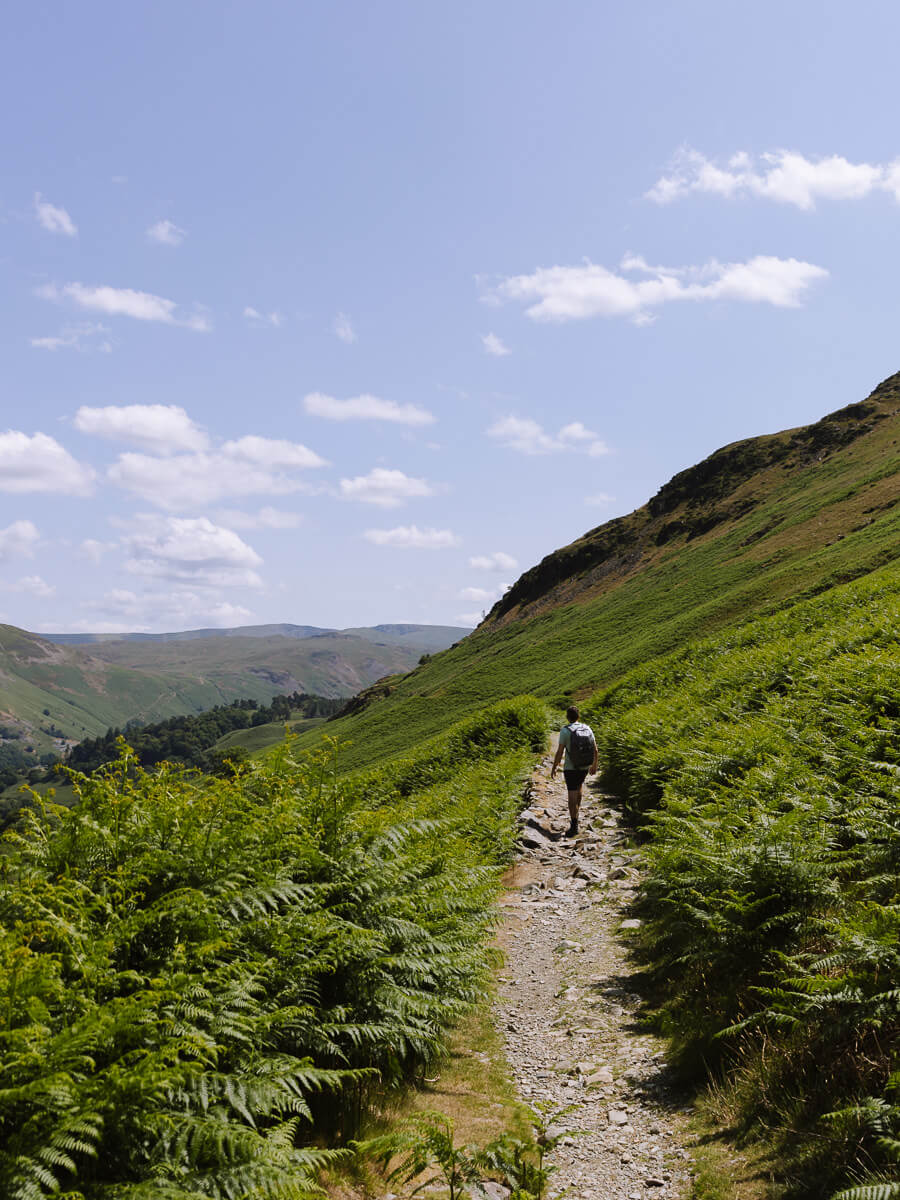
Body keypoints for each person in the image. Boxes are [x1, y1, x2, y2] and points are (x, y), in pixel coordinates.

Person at [550, 705, 598, 837]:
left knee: (571, 794)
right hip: (584, 766)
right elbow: (595, 749)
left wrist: (554, 767)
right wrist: (594, 765)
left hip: (571, 768)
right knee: (579, 787)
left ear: (567, 717)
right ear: (578, 716)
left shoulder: (565, 731)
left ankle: (574, 824)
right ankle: (577, 814)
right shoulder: (587, 728)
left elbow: (560, 752)